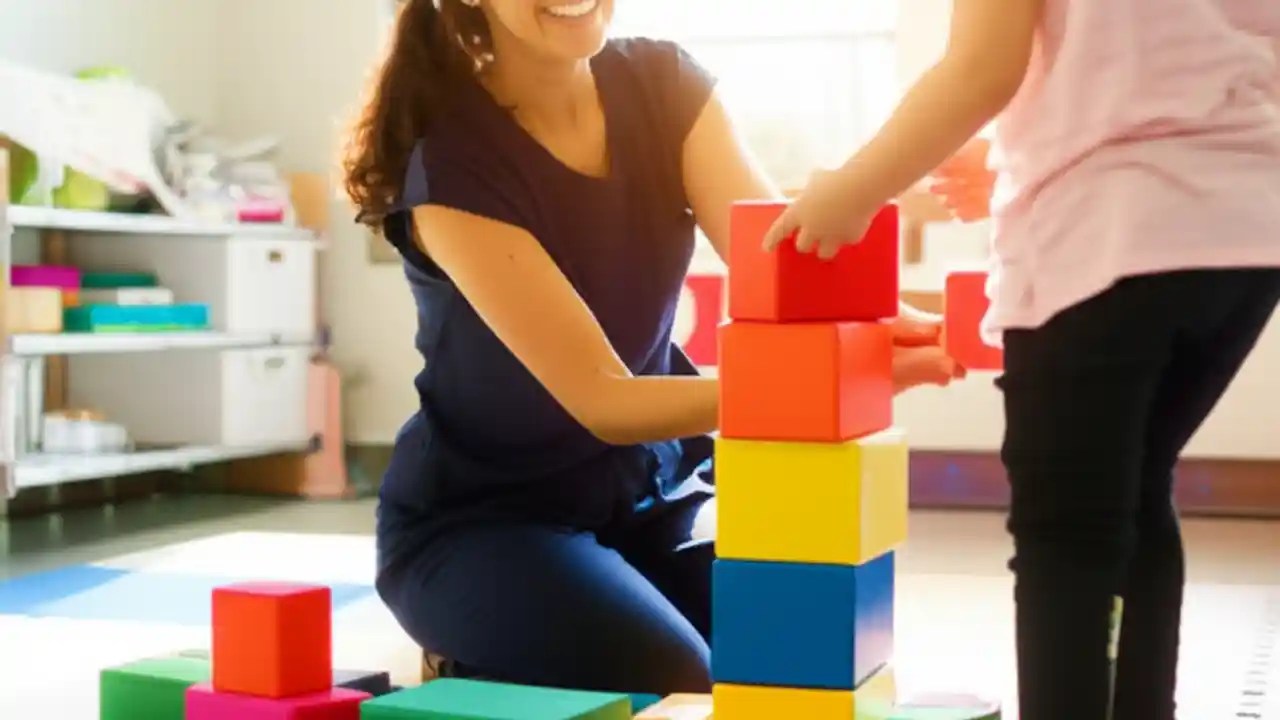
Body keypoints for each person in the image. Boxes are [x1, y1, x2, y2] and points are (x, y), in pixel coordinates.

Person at [341, 0, 962, 696]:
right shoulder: (454, 165)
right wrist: (829, 379)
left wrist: (898, 322)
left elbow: (784, 274)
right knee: (681, 681)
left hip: (654, 496)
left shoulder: (665, 85)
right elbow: (605, 400)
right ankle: (479, 665)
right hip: (485, 521)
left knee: (794, 641)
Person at [767, 1, 1280, 718]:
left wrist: (850, 192)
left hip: (1109, 233)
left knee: (1066, 539)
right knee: (1136, 492)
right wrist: (1025, 148)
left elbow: (981, 68)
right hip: (1247, 236)